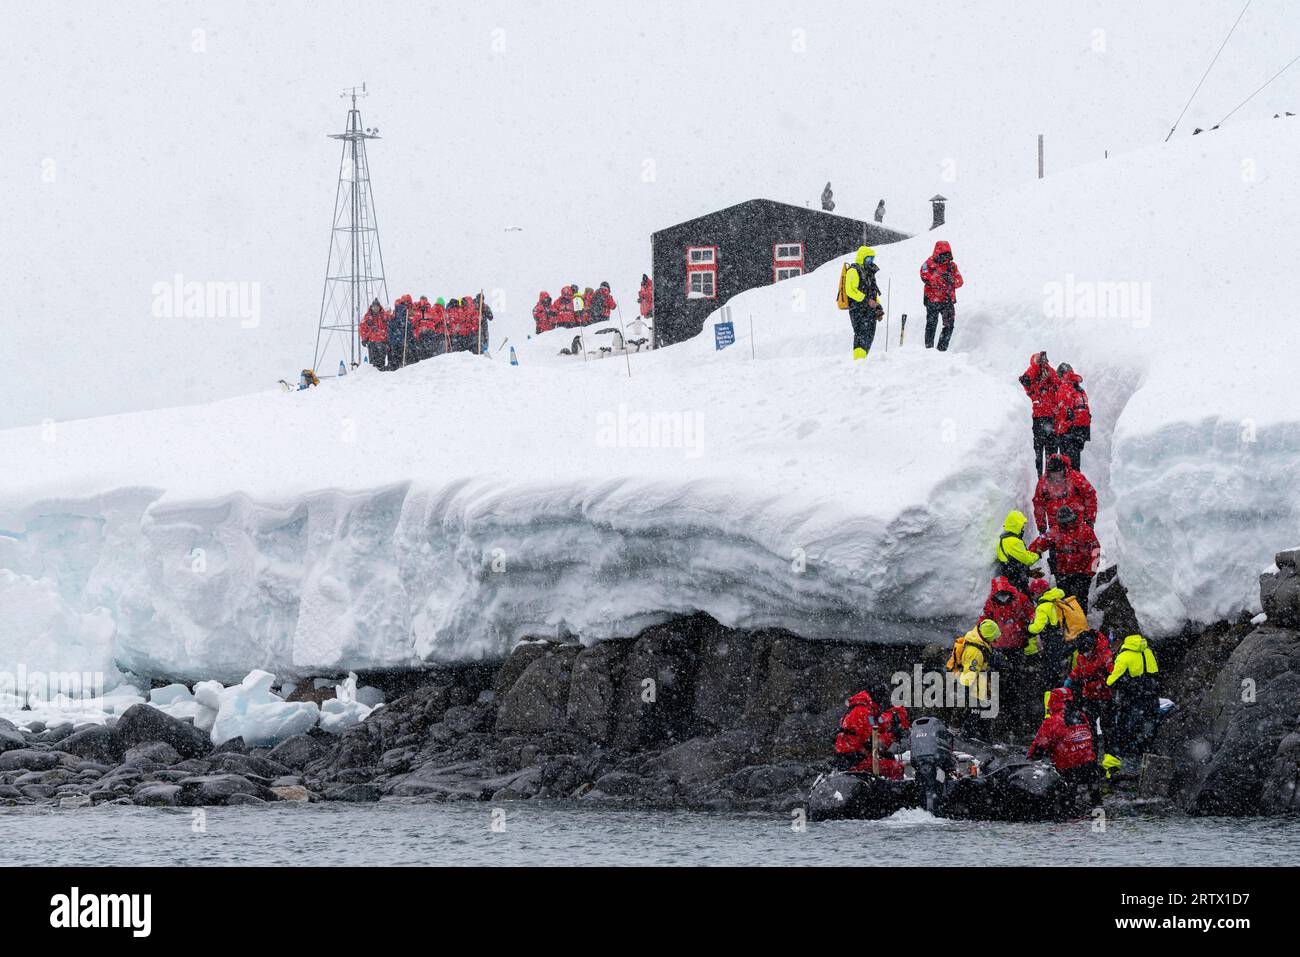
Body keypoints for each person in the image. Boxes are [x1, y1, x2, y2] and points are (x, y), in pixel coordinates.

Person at [1028, 687, 1098, 802]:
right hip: (1089, 768)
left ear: (1052, 701)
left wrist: (1029, 761)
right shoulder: (1082, 715)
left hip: (1068, 772)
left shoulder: (1052, 721)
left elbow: (1037, 750)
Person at [1029, 505, 1100, 612]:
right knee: (1066, 602)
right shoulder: (1055, 531)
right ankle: (1070, 625)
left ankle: (1081, 626)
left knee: (1080, 601)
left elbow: (1096, 551)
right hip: (1063, 573)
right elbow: (1040, 543)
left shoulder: (1085, 531)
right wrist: (1029, 553)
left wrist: (1090, 572)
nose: (1063, 525)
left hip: (1082, 574)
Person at [1105, 634, 1160, 762]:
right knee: (1148, 727)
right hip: (1151, 696)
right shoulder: (1147, 651)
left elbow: (1111, 681)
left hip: (1134, 698)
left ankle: (1125, 756)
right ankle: (1146, 754)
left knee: (1126, 727)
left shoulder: (1124, 656)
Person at [833, 690, 910, 779]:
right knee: (896, 767)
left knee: (889, 758)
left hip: (851, 759)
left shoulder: (857, 709)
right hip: (856, 761)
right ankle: (893, 791)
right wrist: (893, 735)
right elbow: (874, 743)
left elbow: (869, 738)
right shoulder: (863, 712)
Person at [1066, 629, 1115, 748]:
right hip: (1088, 695)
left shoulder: (1105, 654)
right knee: (1088, 726)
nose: (1085, 654)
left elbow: (1112, 674)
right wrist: (1070, 679)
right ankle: (1091, 752)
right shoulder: (1083, 655)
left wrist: (1103, 683)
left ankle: (1110, 755)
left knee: (1106, 727)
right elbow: (1079, 668)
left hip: (1104, 696)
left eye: (1086, 652)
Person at [1033, 454, 1097, 536]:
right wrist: (1042, 527)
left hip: (1077, 527)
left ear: (1065, 470)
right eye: (1054, 474)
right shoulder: (1043, 484)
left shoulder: (1077, 478)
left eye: (1059, 473)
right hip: (1056, 530)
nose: (1056, 476)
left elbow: (1090, 497)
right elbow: (1039, 505)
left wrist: (1089, 520)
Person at [1019, 352, 1060, 476]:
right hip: (1038, 419)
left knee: (1051, 452)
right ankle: (1038, 479)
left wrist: (1046, 368)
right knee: (1037, 452)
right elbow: (1026, 381)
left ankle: (1049, 479)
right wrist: (1036, 365)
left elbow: (1058, 384)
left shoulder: (1049, 372)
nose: (1043, 362)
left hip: (1051, 419)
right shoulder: (1030, 375)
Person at [946, 618, 1001, 708]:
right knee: (976, 717)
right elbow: (968, 677)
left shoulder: (976, 639)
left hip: (976, 683)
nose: (996, 641)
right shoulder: (976, 653)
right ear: (987, 637)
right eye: (994, 639)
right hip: (973, 690)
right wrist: (972, 701)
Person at [1026, 578, 1069, 693]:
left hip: (1052, 640)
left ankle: (1050, 692)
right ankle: (1060, 687)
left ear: (1038, 592)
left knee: (1050, 668)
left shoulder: (1042, 607)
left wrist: (1028, 627)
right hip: (1063, 636)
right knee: (1057, 665)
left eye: (1033, 593)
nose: (1033, 596)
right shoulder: (1057, 599)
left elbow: (1037, 627)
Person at [919, 240, 963, 350]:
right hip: (932, 299)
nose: (945, 257)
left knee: (949, 325)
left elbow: (960, 281)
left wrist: (951, 280)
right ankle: (928, 349)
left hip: (947, 300)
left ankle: (941, 350)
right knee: (931, 325)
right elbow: (924, 276)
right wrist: (940, 280)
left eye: (947, 254)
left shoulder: (952, 266)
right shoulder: (929, 263)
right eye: (943, 254)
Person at [844, 245, 883, 360]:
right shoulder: (853, 271)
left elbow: (873, 292)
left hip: (870, 310)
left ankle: (863, 360)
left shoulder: (870, 272)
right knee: (860, 334)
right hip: (857, 309)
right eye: (868, 258)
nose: (870, 261)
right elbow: (850, 290)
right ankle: (858, 361)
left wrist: (878, 307)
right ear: (862, 257)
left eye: (872, 259)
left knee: (870, 335)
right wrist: (866, 300)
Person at [1053, 363, 1092, 470]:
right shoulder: (1079, 388)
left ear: (1060, 375)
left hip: (1068, 432)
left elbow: (1062, 413)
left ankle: (1073, 485)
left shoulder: (1064, 388)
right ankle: (1077, 483)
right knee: (1075, 465)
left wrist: (1058, 432)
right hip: (1082, 431)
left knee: (1068, 468)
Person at [995, 510, 1042, 593]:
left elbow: (1013, 563)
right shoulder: (1014, 542)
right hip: (1017, 584)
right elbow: (1028, 559)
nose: (1023, 528)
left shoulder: (1003, 540)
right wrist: (1038, 554)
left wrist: (1028, 572)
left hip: (1010, 582)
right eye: (1022, 525)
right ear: (1016, 525)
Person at [359, 298, 391, 369]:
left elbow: (389, 327)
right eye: (374, 306)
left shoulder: (384, 316)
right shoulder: (367, 317)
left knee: (381, 361)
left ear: (379, 307)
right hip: (372, 342)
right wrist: (364, 339)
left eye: (377, 306)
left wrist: (387, 338)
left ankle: (379, 374)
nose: (375, 308)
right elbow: (362, 328)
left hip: (382, 342)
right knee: (373, 364)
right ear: (372, 307)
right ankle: (374, 375)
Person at [388, 294, 415, 368]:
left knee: (396, 364)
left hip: (396, 343)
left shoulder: (397, 312)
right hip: (400, 343)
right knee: (402, 364)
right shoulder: (403, 313)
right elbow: (406, 329)